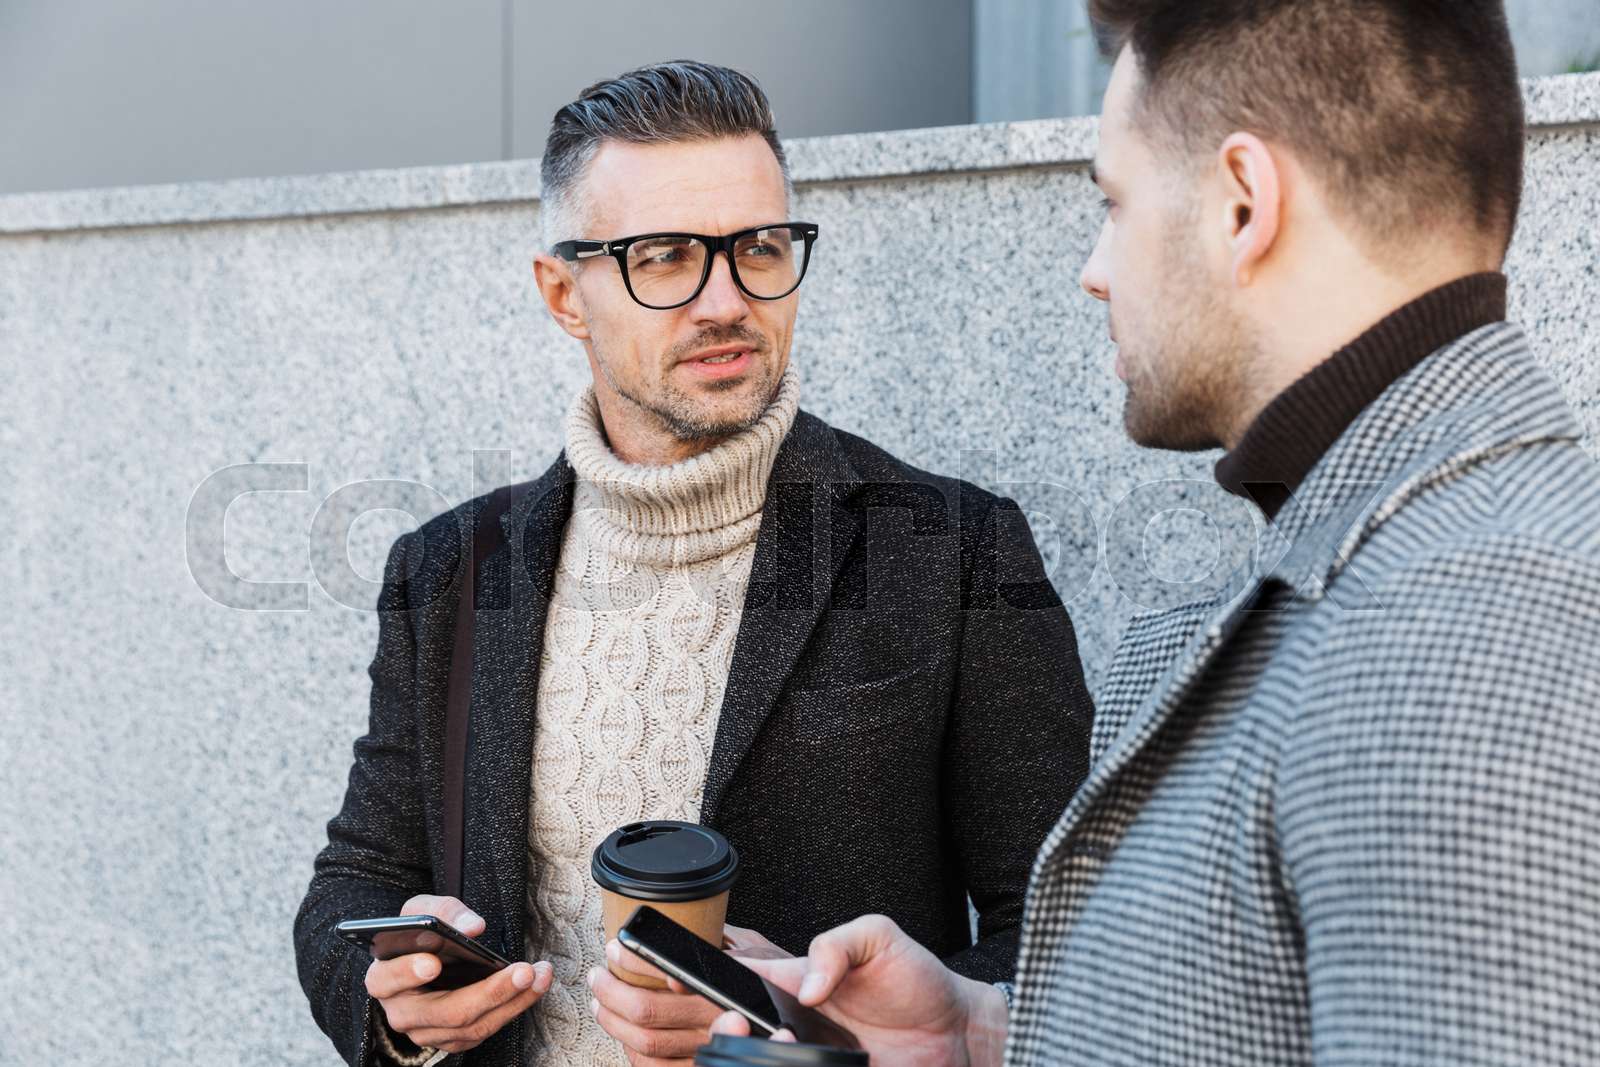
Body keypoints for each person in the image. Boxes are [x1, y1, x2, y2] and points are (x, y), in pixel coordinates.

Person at [694, 2, 1600, 1063]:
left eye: (1114, 204)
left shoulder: (1482, 630)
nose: (1095, 267)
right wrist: (982, 1029)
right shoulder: (1387, 567)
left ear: (1242, 204)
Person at [292, 61, 1095, 1067]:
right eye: (665, 256)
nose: (727, 298)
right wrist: (391, 1006)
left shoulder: (952, 547)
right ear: (563, 293)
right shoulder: (451, 566)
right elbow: (358, 877)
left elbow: (1073, 928)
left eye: (759, 246)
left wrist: (869, 1026)